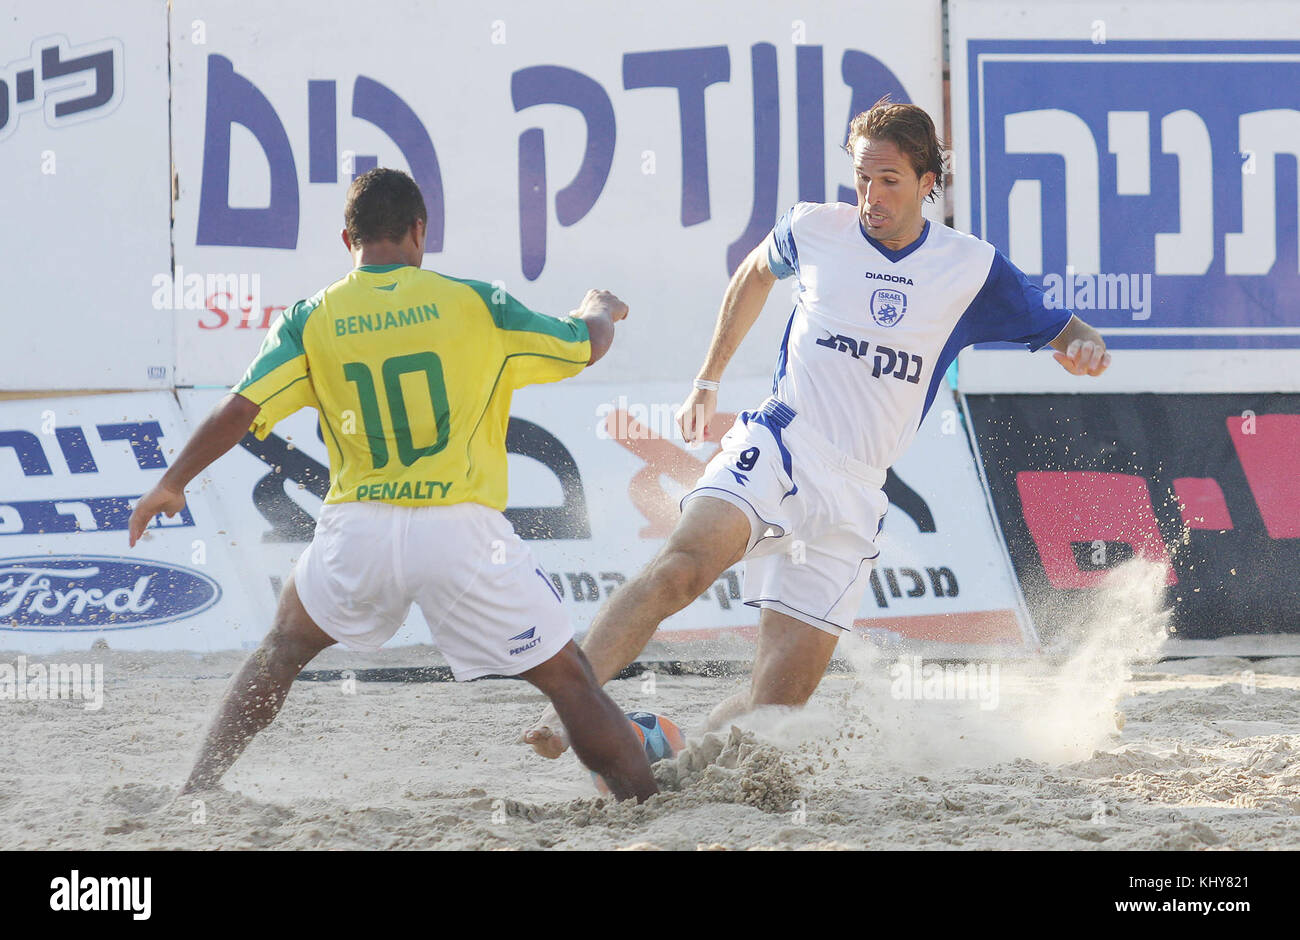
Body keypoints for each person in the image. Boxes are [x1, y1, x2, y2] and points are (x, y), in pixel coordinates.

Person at [524, 96, 1112, 758]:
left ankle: (670, 758)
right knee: (679, 570)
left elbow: (1065, 327)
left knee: (773, 712)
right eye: (862, 178)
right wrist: (709, 378)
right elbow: (752, 273)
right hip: (781, 445)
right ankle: (570, 710)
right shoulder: (817, 228)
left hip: (856, 495)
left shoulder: (970, 267)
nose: (871, 195)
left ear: (927, 184)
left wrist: (1083, 346)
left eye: (889, 180)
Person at [129, 167, 656, 801]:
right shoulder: (477, 303)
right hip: (461, 534)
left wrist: (172, 481)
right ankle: (648, 810)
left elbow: (241, 409)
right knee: (570, 682)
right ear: (418, 230)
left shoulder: (311, 318)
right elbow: (584, 346)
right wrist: (600, 307)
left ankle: (197, 789)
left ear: (344, 238)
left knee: (280, 651)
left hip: (358, 529)